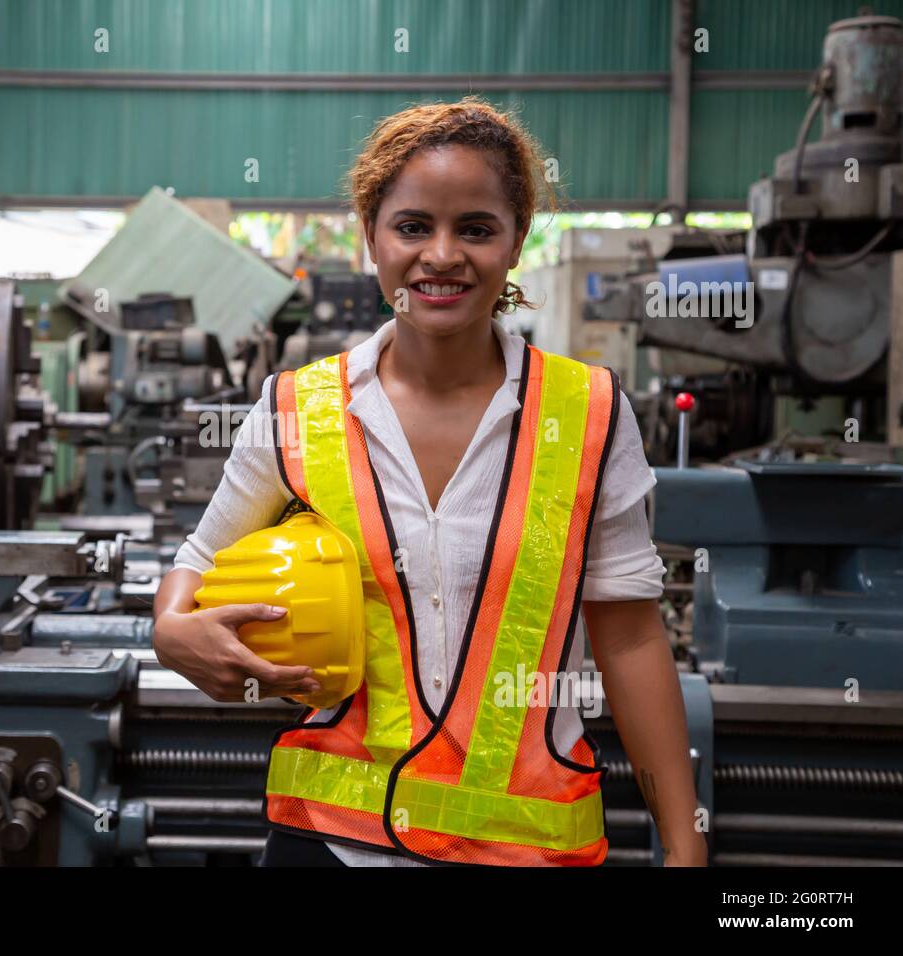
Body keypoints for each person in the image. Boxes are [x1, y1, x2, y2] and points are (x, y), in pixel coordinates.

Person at [152, 96, 708, 867]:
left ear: (515, 243)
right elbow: (196, 559)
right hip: (328, 846)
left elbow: (633, 638)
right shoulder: (295, 409)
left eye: (475, 228)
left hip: (528, 849)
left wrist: (685, 845)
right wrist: (171, 629)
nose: (441, 255)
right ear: (371, 238)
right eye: (413, 226)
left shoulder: (590, 412)